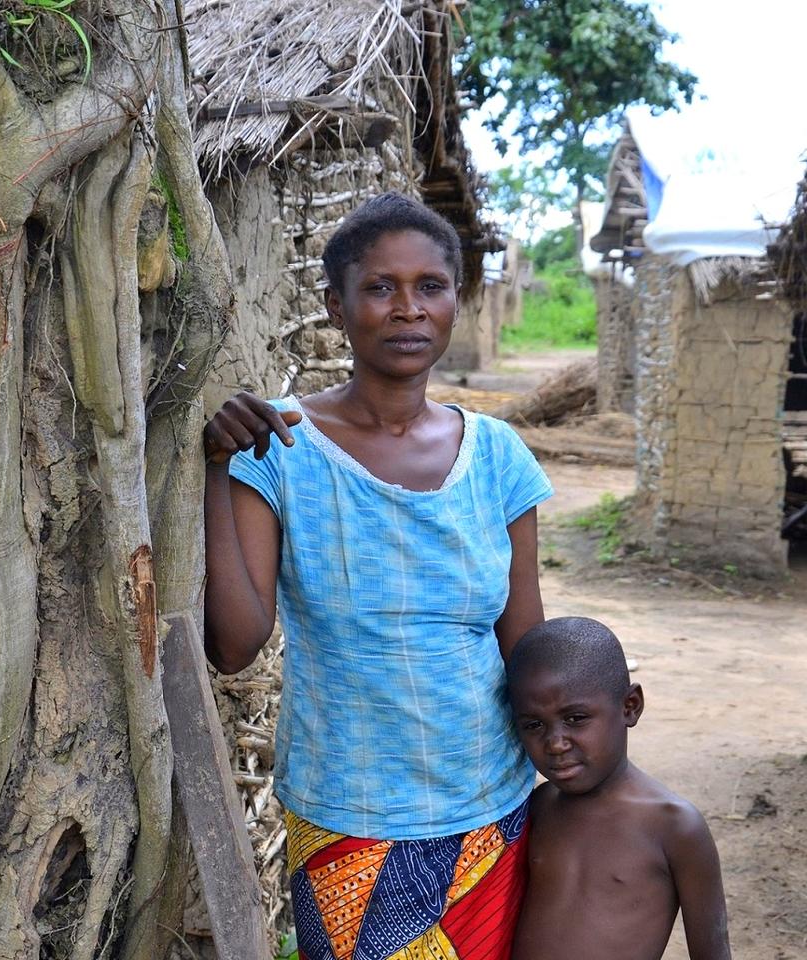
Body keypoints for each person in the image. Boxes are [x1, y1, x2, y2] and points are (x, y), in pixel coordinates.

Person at [203, 192, 553, 958]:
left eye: (431, 287)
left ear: (457, 301)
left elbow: (526, 643)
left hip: (490, 807)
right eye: (380, 288)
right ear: (335, 305)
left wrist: (590, 758)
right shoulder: (279, 448)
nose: (409, 309)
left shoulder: (497, 458)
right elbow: (234, 645)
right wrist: (216, 469)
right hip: (348, 815)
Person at [507, 616, 732, 960]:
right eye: (534, 725)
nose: (555, 743)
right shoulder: (540, 806)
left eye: (575, 719)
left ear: (630, 706)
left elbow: (712, 952)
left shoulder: (674, 826)